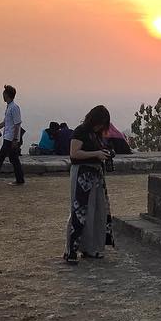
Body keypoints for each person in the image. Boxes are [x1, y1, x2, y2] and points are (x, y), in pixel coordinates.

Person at [64, 105, 116, 264]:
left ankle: (91, 248)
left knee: (97, 212)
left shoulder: (96, 134)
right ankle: (71, 249)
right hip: (82, 175)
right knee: (80, 212)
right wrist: (96, 154)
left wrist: (106, 153)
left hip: (96, 176)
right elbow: (74, 154)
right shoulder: (80, 131)